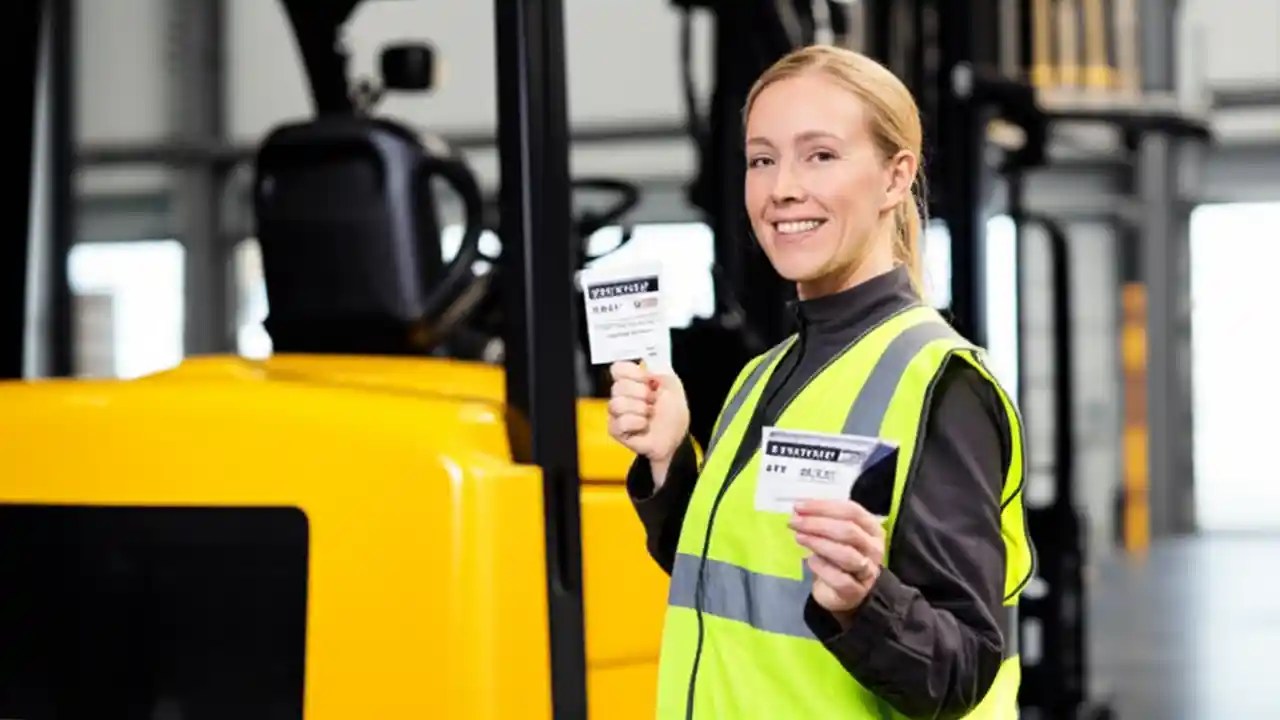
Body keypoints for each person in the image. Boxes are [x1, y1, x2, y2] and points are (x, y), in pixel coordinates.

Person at [607, 45, 1034, 720]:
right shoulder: (762, 376)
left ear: (896, 178)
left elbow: (961, 668)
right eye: (762, 159)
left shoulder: (939, 386)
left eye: (821, 156)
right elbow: (727, 582)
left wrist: (866, 601)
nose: (782, 188)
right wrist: (669, 460)